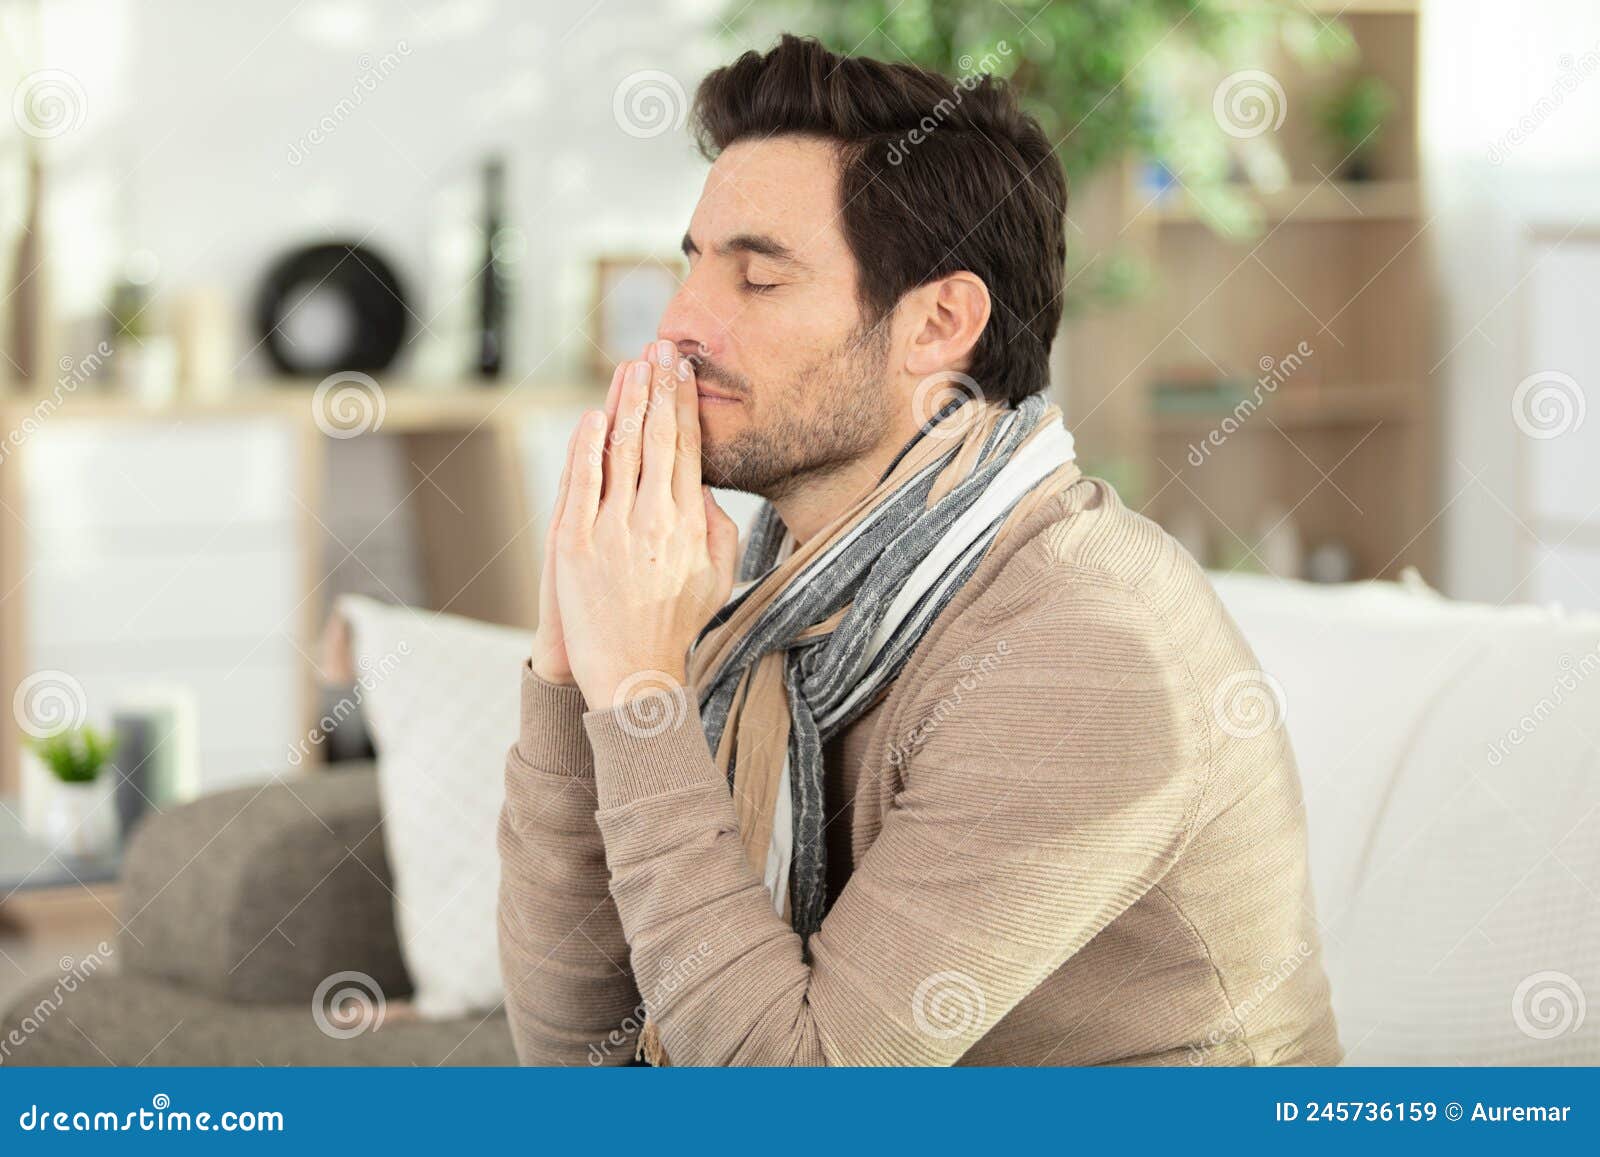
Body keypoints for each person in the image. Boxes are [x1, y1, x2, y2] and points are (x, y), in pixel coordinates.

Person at [496, 34, 1341, 1066]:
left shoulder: (1084, 646)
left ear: (938, 322)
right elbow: (573, 1055)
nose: (678, 325)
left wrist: (639, 696)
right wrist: (569, 655)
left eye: (757, 280)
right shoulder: (772, 593)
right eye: (692, 265)